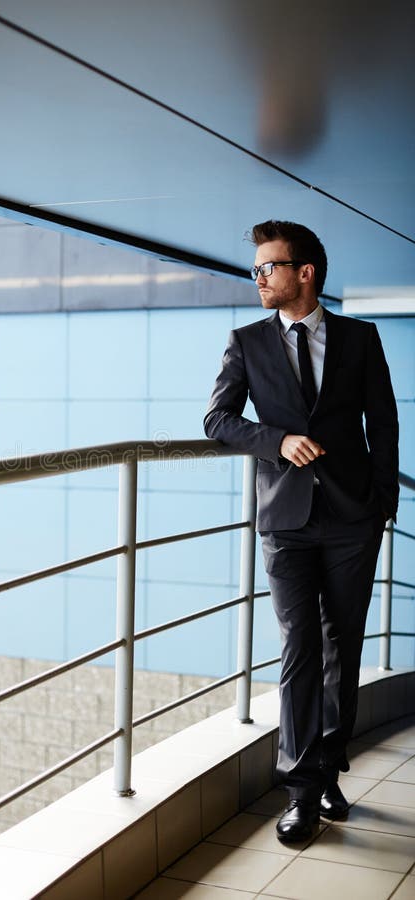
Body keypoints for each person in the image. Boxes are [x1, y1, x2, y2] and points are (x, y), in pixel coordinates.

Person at [204, 220, 399, 842]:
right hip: (285, 521)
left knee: (342, 646)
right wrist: (278, 440)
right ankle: (300, 789)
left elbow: (384, 425)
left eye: (268, 266)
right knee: (299, 650)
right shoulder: (246, 342)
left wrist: (382, 504)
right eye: (257, 268)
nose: (259, 277)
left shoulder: (360, 339)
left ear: (304, 272)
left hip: (351, 520)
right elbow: (217, 419)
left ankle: (329, 768)